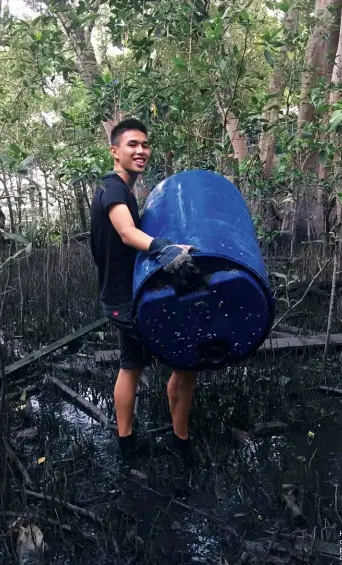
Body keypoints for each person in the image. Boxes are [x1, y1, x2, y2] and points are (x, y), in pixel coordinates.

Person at [90, 118, 199, 464]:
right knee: (185, 361)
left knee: (131, 363)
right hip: (125, 298)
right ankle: (181, 442)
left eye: (145, 145)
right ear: (114, 151)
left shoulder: (122, 190)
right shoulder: (113, 188)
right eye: (132, 145)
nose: (141, 151)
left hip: (123, 294)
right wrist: (164, 248)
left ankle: (127, 442)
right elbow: (125, 232)